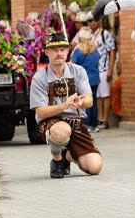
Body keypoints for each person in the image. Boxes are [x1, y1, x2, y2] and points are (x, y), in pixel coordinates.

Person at [29, 32, 103, 178]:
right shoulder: (39, 77)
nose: (59, 53)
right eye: (55, 50)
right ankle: (57, 159)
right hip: (51, 122)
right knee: (61, 131)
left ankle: (67, 155)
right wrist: (64, 105)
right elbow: (41, 112)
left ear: (68, 51)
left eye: (63, 49)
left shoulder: (78, 71)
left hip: (76, 122)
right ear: (47, 52)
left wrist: (81, 102)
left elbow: (89, 100)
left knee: (95, 167)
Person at [86, 13, 115, 129]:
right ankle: (99, 118)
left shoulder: (105, 34)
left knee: (105, 95)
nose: (90, 23)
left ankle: (105, 119)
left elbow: (112, 51)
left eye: (92, 20)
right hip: (95, 69)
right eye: (88, 21)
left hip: (104, 68)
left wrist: (111, 70)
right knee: (97, 96)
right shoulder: (90, 36)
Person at [70, 27, 103, 130]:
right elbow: (98, 59)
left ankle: (87, 124)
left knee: (85, 101)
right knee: (94, 102)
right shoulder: (95, 49)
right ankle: (94, 124)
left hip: (84, 80)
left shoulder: (78, 50)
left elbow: (72, 64)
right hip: (95, 78)